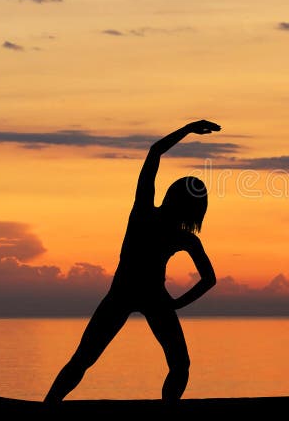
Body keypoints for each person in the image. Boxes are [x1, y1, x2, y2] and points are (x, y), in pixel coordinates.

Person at [44, 120, 221, 402]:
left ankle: (49, 405)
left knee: (85, 359)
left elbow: (154, 152)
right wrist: (176, 303)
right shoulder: (164, 225)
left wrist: (189, 129)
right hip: (136, 294)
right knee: (175, 365)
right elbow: (209, 280)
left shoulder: (154, 218)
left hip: (134, 294)